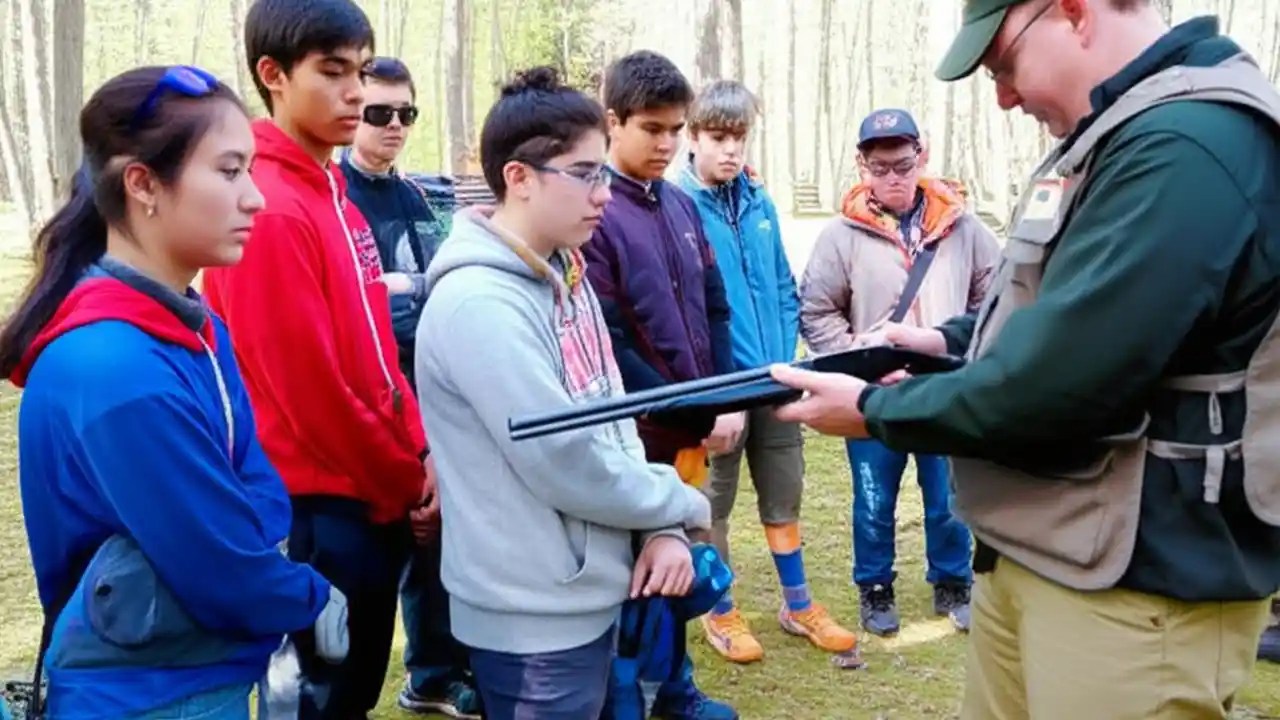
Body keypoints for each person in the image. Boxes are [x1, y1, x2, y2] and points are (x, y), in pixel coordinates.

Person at [771, 2, 1280, 718]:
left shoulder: (1186, 144)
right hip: (1050, 549)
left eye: (1005, 66)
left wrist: (873, 410)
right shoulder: (1119, 134)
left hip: (1137, 584)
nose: (1005, 97)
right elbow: (1054, 306)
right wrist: (945, 341)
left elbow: (1063, 383)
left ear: (1072, 11)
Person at [0, 65, 347, 719]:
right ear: (143, 184)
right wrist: (309, 595)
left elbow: (255, 493)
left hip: (194, 676)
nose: (255, 198)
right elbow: (221, 560)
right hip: (146, 697)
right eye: (229, 171)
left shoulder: (194, 326)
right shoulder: (115, 369)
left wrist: (247, 530)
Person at [414, 65, 713, 720]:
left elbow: (614, 417)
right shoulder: (479, 304)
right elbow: (565, 460)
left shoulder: (563, 272)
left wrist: (660, 527)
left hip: (584, 593)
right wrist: (680, 502)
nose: (603, 194)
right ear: (518, 178)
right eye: (584, 174)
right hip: (530, 618)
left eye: (603, 172)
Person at [202, 2, 431, 717]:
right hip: (313, 508)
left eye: (360, 71)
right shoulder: (269, 207)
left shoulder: (336, 195)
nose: (356, 93)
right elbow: (310, 393)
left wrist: (420, 450)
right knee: (316, 699)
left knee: (352, 690)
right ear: (273, 75)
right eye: (332, 72)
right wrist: (402, 479)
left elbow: (379, 355)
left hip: (368, 492)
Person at [675, 80, 858, 664]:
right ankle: (721, 609)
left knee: (784, 493)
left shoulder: (759, 201)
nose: (731, 149)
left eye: (740, 137)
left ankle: (797, 604)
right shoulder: (678, 205)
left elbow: (782, 283)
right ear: (694, 137)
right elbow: (688, 310)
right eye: (718, 137)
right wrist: (716, 389)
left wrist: (788, 362)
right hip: (721, 389)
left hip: (778, 379)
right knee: (712, 504)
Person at [799, 107, 998, 637]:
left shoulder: (964, 229)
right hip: (872, 395)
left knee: (948, 496)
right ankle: (874, 587)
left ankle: (953, 581)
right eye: (880, 167)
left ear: (921, 158)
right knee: (872, 499)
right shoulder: (839, 236)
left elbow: (995, 301)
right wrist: (860, 363)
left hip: (944, 390)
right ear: (861, 165)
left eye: (903, 166)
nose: (893, 178)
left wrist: (958, 357)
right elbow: (817, 312)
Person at [584, 50, 739, 720]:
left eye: (677, 129)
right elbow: (608, 340)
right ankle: (632, 699)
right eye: (652, 128)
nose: (668, 143)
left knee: (682, 563)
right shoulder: (593, 211)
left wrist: (725, 397)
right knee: (634, 576)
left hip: (691, 430)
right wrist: (694, 410)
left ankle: (674, 688)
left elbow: (715, 306)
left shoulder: (680, 204)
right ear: (612, 122)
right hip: (635, 433)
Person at [338, 55, 481, 719]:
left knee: (439, 535)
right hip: (372, 398)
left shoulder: (421, 198)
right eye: (379, 112)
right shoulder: (335, 199)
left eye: (406, 113)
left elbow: (444, 281)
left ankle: (439, 667)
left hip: (437, 386)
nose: (394, 125)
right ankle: (412, 672)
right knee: (394, 539)